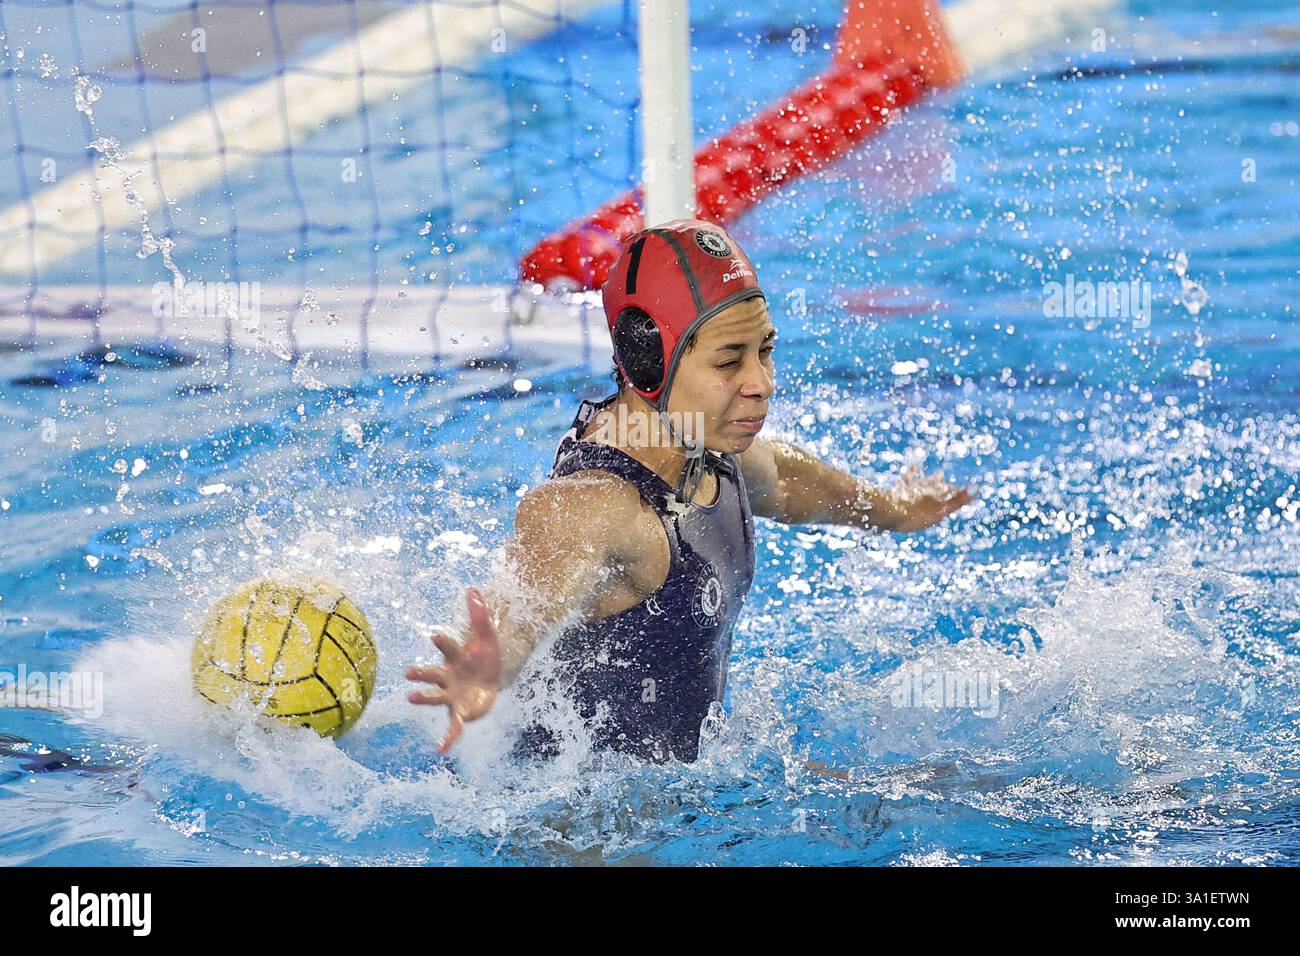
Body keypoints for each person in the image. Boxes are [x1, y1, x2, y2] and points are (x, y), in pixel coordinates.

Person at [406, 219, 974, 762]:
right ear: (646, 359)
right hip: (587, 831)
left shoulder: (710, 447)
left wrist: (893, 511)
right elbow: (533, 598)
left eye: (765, 351)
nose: (762, 383)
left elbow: (788, 481)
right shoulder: (595, 504)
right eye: (730, 361)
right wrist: (492, 665)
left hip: (694, 786)